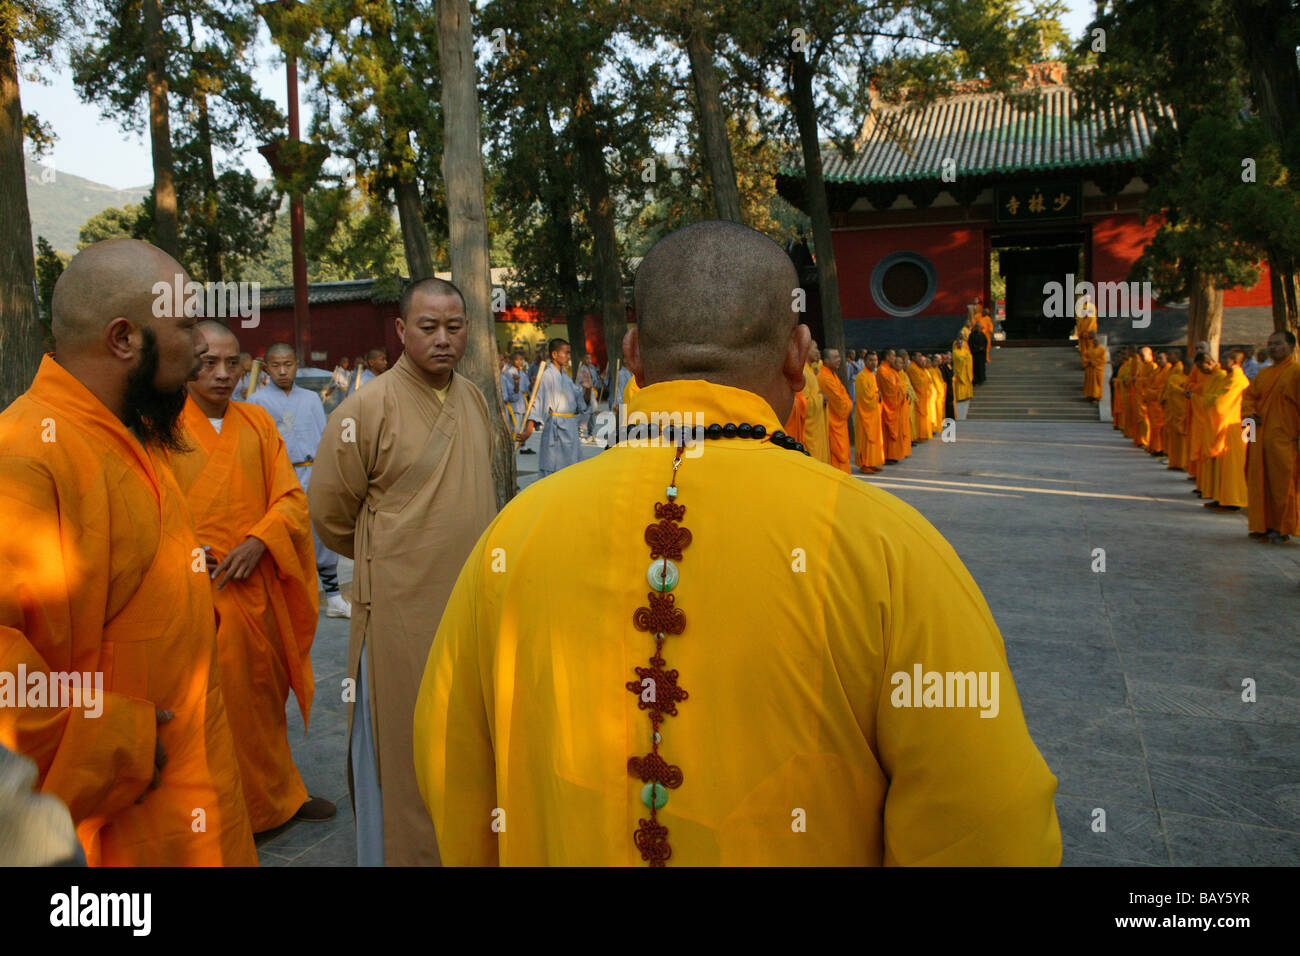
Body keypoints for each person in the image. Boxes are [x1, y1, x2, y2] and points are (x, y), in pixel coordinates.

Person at [411, 220, 1061, 866]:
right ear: (798, 353)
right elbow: (993, 824)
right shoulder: (889, 548)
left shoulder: (515, 537)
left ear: (633, 353)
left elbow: (448, 763)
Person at [0, 238, 256, 865]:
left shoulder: (133, 431)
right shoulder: (27, 453)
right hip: (118, 807)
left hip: (194, 778)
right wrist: (119, 739)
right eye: (186, 324)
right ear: (123, 339)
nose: (202, 345)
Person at [309, 276, 497, 866]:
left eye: (454, 327)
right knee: (409, 737)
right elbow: (330, 512)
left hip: (468, 593)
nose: (443, 339)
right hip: (399, 602)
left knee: (468, 732)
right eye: (428, 327)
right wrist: (385, 551)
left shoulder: (472, 396)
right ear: (400, 331)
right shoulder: (367, 405)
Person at [162, 320, 336, 833]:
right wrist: (184, 549)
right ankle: (227, 813)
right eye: (207, 361)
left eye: (231, 362)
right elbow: (143, 508)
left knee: (263, 695)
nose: (221, 373)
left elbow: (289, 497)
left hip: (258, 585)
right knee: (213, 708)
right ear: (184, 363)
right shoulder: (161, 429)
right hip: (197, 594)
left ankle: (280, 794)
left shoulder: (257, 423)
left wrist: (260, 539)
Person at [247, 343, 351, 619]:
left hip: (313, 471)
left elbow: (323, 437)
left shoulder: (311, 399)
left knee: (321, 535)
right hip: (279, 475)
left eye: (288, 364)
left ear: (296, 364)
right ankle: (289, 601)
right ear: (266, 368)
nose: (283, 371)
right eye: (276, 365)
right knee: (283, 535)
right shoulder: (256, 402)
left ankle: (333, 597)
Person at [1242, 331, 1300, 542]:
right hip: (1259, 437)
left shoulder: (1295, 372)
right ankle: (1261, 524)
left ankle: (1281, 527)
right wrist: (1249, 417)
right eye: (1270, 344)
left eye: (1277, 344)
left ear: (1291, 346)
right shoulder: (1263, 375)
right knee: (1259, 482)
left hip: (1285, 439)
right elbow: (1248, 397)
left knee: (1282, 485)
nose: (1272, 348)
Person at [515, 338, 591, 478]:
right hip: (556, 428)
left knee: (572, 469)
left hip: (570, 428)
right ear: (555, 354)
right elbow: (538, 402)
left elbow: (581, 402)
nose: (568, 356)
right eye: (566, 353)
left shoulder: (566, 378)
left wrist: (588, 389)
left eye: (569, 353)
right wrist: (529, 430)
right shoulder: (547, 376)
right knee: (554, 470)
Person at [1198, 350, 1250, 512]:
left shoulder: (1237, 380)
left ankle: (1232, 500)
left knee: (1231, 467)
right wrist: (1208, 399)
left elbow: (1220, 405)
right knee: (1221, 465)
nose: (1221, 361)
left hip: (1233, 427)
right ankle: (1220, 497)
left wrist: (1206, 400)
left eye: (1225, 358)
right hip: (1223, 427)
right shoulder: (1227, 378)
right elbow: (1212, 396)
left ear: (1234, 361)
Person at [817, 348, 853, 473]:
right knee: (836, 455)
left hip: (838, 422)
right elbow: (841, 403)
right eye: (835, 357)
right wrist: (849, 403)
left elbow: (844, 395)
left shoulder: (832, 375)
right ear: (826, 360)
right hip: (833, 422)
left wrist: (847, 401)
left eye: (839, 356)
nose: (839, 360)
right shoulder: (825, 377)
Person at [877, 349, 912, 463]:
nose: (895, 358)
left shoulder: (891, 371)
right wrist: (902, 391)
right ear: (887, 357)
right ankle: (888, 455)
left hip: (897, 406)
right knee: (889, 433)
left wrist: (903, 391)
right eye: (893, 356)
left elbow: (898, 386)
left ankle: (894, 454)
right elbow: (890, 390)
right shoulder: (883, 371)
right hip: (889, 406)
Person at [853, 351, 885, 473]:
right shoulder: (861, 376)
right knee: (866, 439)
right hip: (864, 414)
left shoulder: (872, 375)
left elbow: (873, 393)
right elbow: (865, 397)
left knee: (875, 439)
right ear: (865, 361)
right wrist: (877, 395)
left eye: (875, 360)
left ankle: (872, 463)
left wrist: (877, 395)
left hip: (874, 413)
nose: (873, 362)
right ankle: (864, 464)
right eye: (870, 360)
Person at [1161, 357, 1191, 471]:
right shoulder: (1175, 377)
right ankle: (1174, 462)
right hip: (1175, 413)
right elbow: (1172, 388)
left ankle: (1184, 464)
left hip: (1186, 413)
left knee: (1185, 440)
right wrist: (1184, 390)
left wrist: (1187, 389)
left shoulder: (1192, 379)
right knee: (1175, 438)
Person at [501, 350, 533, 453]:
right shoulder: (509, 373)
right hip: (514, 404)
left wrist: (533, 384)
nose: (519, 362)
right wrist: (516, 384)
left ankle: (523, 446)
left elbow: (528, 387)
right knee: (516, 426)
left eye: (520, 360)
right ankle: (514, 445)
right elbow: (512, 391)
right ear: (511, 361)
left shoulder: (522, 373)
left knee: (523, 426)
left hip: (522, 403)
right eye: (516, 360)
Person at [802, 346, 830, 464]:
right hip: (810, 428)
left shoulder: (809, 370)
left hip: (817, 423)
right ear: (806, 349)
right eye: (815, 348)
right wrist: (820, 398)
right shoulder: (803, 371)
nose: (818, 352)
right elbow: (804, 402)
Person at [905, 352, 933, 442]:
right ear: (913, 357)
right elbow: (918, 384)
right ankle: (918, 436)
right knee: (918, 417)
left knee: (923, 416)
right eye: (918, 356)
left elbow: (926, 381)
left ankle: (923, 434)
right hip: (918, 396)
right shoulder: (912, 368)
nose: (921, 358)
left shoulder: (919, 368)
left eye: (921, 356)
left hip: (924, 396)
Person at [952, 338, 973, 418]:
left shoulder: (965, 350)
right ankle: (961, 397)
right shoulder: (955, 352)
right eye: (959, 343)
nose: (960, 345)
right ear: (957, 344)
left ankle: (967, 395)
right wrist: (965, 358)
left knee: (967, 382)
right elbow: (958, 359)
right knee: (960, 384)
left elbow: (969, 356)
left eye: (961, 343)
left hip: (966, 371)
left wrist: (965, 358)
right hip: (960, 371)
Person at [968, 320, 988, 386]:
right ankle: (975, 381)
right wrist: (977, 348)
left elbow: (985, 343)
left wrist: (982, 348)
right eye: (977, 327)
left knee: (981, 367)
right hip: (975, 354)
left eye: (979, 327)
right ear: (975, 327)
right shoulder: (972, 335)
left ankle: (981, 380)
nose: (979, 328)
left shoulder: (983, 335)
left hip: (981, 355)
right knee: (975, 368)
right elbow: (971, 344)